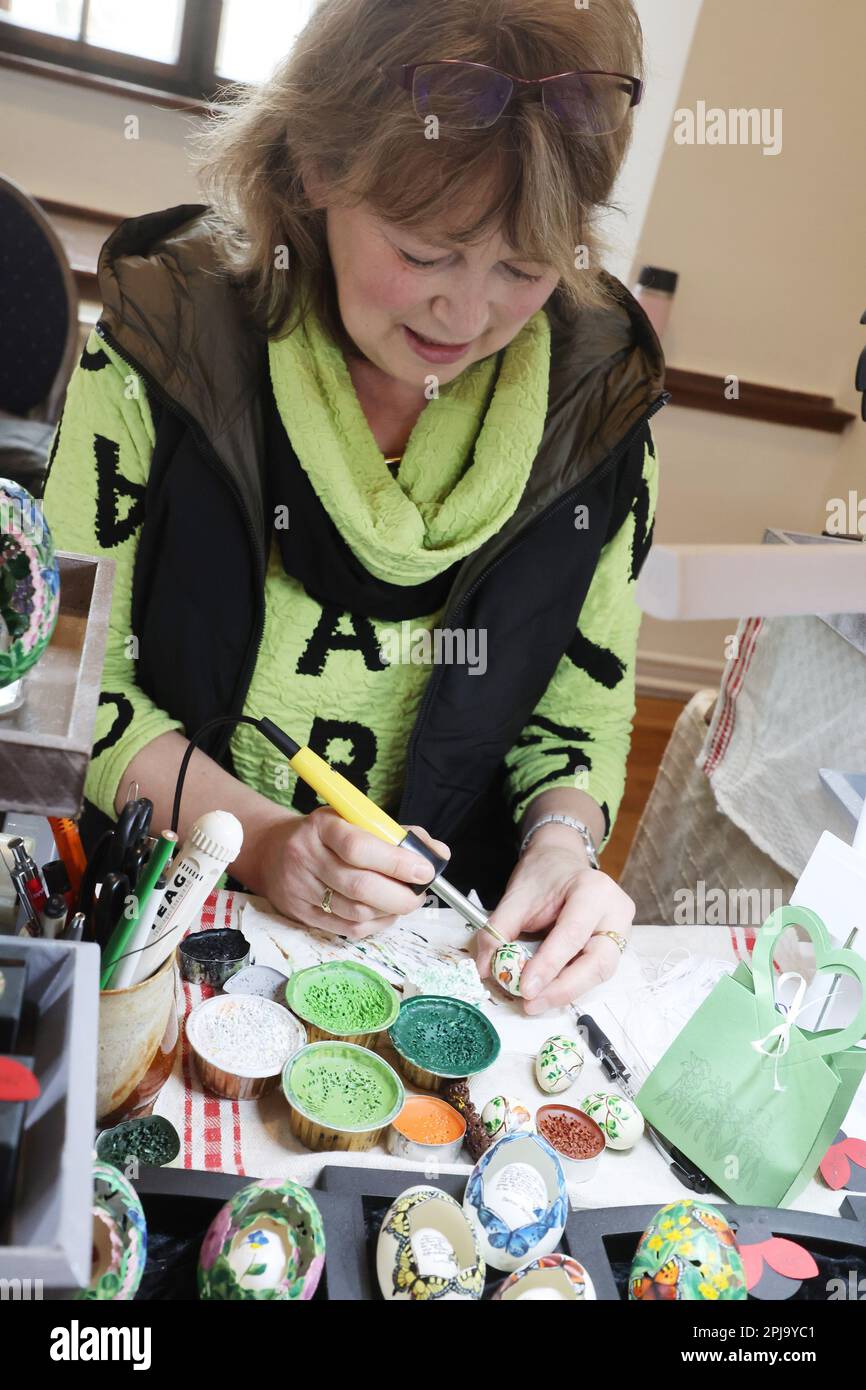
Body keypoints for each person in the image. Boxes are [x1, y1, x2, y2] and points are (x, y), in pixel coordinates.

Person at [43, 0, 664, 1014]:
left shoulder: (592, 415)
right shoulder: (166, 347)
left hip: (430, 961)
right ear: (315, 168)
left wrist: (562, 842)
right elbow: (71, 692)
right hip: (163, 927)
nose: (464, 316)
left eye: (521, 266)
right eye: (425, 252)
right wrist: (265, 842)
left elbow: (577, 719)